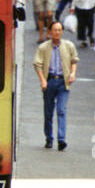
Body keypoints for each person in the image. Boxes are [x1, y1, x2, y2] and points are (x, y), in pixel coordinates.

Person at [33, 21, 77, 151]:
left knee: (61, 110)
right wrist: (42, 80)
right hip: (50, 80)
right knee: (48, 112)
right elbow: (37, 64)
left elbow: (74, 60)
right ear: (50, 31)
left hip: (63, 82)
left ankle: (61, 139)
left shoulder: (69, 46)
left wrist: (73, 73)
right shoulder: (44, 47)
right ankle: (49, 138)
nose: (57, 32)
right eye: (54, 30)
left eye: (59, 30)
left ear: (62, 31)